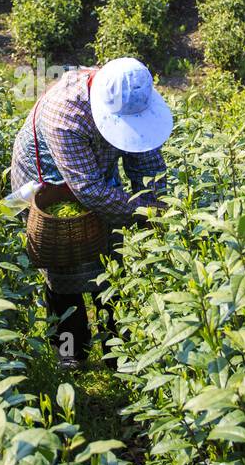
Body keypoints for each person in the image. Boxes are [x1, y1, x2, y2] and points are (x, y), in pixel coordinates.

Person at [10, 57, 172, 369]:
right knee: (63, 269)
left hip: (93, 172)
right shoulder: (65, 114)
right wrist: (147, 210)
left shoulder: (136, 99)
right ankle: (71, 353)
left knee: (110, 265)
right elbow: (89, 189)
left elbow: (145, 157)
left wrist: (154, 198)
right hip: (48, 178)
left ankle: (117, 354)